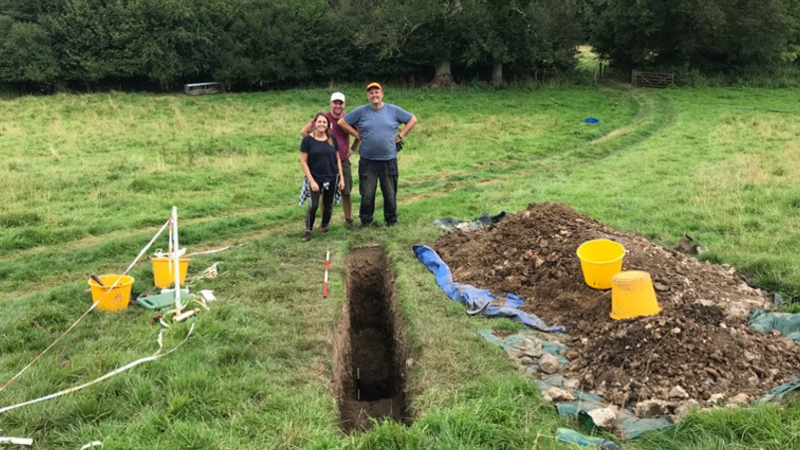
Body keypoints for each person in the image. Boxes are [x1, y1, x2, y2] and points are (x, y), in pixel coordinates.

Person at [338, 82, 417, 227]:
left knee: (390, 193)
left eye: (376, 92)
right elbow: (342, 122)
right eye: (371, 93)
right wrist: (357, 135)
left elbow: (412, 119)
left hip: (389, 160)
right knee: (367, 193)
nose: (374, 95)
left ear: (382, 94)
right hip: (368, 161)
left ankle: (391, 221)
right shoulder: (361, 111)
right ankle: (366, 221)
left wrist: (400, 136)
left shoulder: (392, 110)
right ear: (368, 96)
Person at [301, 92, 360, 229]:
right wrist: (315, 145)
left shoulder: (348, 118)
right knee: (323, 193)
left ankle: (348, 220)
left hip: (342, 160)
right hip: (324, 162)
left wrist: (352, 149)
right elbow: (304, 132)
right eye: (335, 102)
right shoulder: (323, 118)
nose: (338, 105)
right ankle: (324, 223)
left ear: (344, 105)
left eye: (340, 103)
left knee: (345, 191)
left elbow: (359, 135)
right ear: (331, 104)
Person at [299, 112, 345, 241]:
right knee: (313, 205)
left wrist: (341, 178)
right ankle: (308, 230)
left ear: (327, 125)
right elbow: (303, 161)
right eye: (319, 122)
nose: (321, 124)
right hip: (315, 177)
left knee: (328, 204)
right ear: (315, 123)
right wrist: (311, 181)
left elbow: (337, 159)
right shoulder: (308, 140)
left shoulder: (332, 139)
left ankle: (324, 226)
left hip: (331, 176)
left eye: (324, 122)